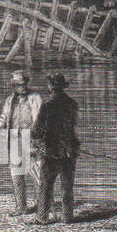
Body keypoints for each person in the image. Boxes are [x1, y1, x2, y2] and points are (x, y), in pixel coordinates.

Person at [0, 70, 43, 216]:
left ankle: (41, 207)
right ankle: (21, 207)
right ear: (13, 86)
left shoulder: (35, 98)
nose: (22, 87)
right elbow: (3, 118)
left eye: (24, 83)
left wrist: (37, 141)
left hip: (31, 140)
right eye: (19, 85)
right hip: (14, 140)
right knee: (16, 175)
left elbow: (40, 120)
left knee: (37, 175)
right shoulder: (9, 100)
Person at [32, 73, 80, 224]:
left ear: (51, 87)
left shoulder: (47, 106)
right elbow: (72, 126)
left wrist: (36, 142)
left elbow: (37, 131)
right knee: (67, 186)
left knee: (45, 186)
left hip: (51, 151)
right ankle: (67, 217)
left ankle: (42, 217)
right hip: (68, 151)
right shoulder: (72, 104)